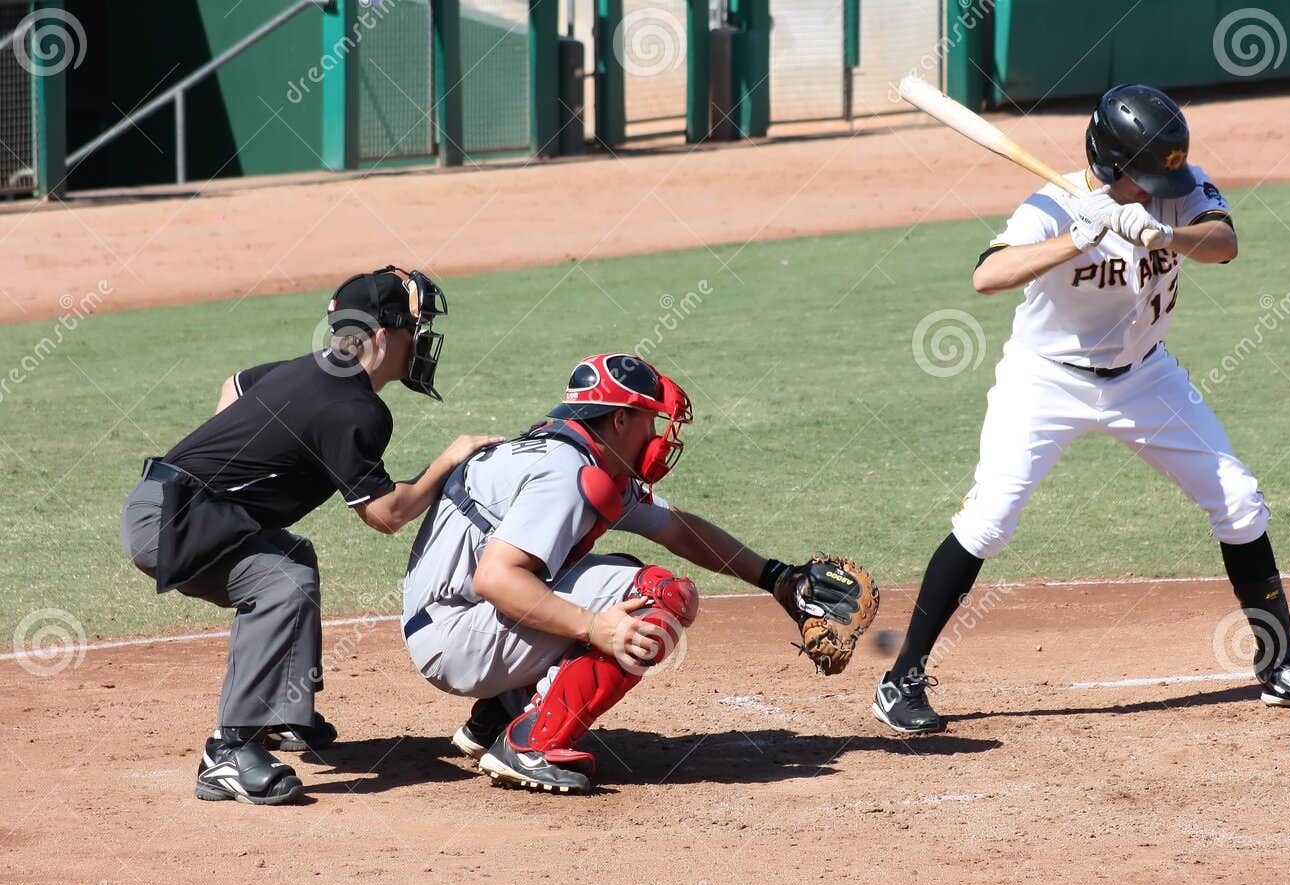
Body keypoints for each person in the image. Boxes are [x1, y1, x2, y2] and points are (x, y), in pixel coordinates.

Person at [872, 84, 1290, 734]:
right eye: (1145, 181)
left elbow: (1224, 243)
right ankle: (901, 678)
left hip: (1144, 378)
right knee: (988, 521)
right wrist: (1078, 236)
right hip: (1044, 382)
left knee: (1238, 499)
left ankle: (1280, 662)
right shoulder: (1050, 205)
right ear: (1111, 165)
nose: (1157, 189)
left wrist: (1166, 233)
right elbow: (987, 275)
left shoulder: (1178, 188)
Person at [401, 353, 870, 795]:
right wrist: (593, 626)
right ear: (620, 419)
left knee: (623, 575)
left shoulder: (580, 455)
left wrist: (777, 578)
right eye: (651, 420)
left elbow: (680, 530)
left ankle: (497, 713)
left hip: (455, 621)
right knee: (659, 597)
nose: (659, 435)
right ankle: (530, 744)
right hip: (457, 634)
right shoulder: (563, 472)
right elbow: (496, 579)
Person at [119, 266, 500, 804]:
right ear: (384, 336)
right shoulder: (354, 408)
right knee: (281, 579)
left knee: (289, 554)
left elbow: (236, 384)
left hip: (166, 502)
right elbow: (387, 514)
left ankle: (282, 713)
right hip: (171, 521)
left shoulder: (313, 370)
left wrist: (233, 463)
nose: (421, 341)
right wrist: (451, 459)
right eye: (415, 328)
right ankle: (230, 749)